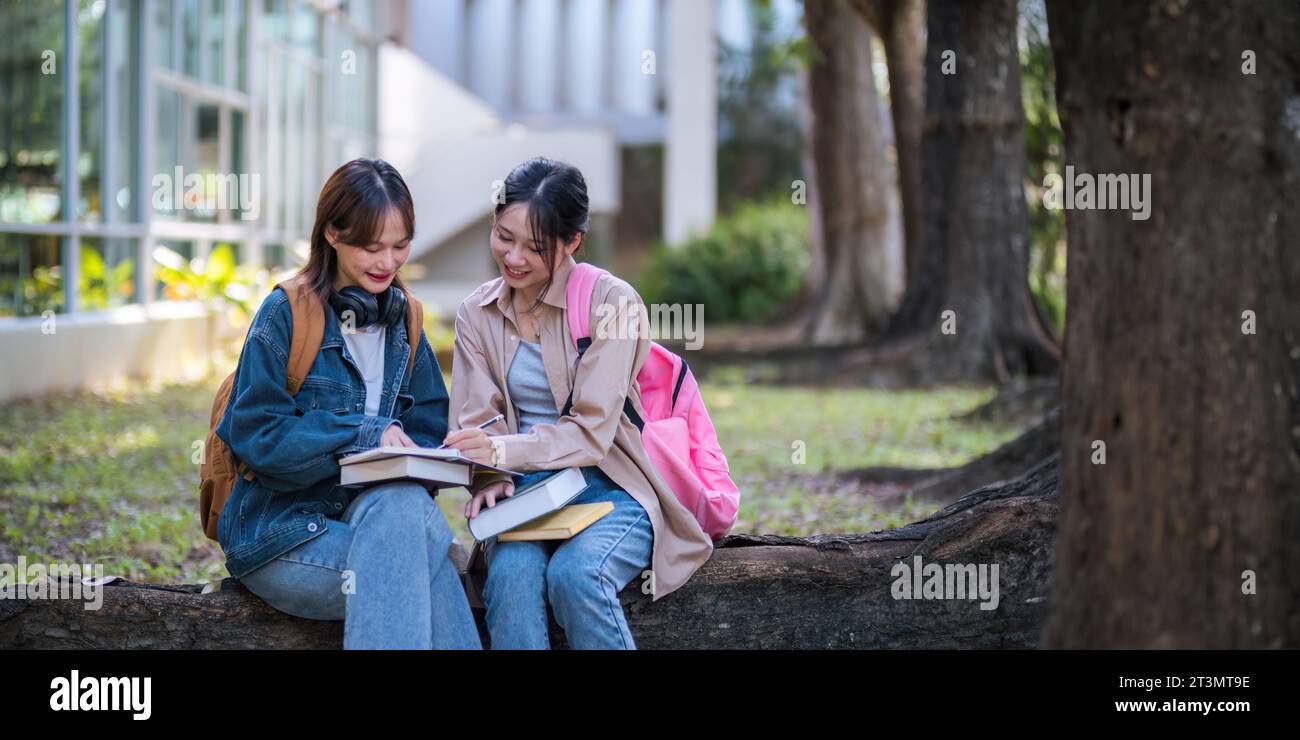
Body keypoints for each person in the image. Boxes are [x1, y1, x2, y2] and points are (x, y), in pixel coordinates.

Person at [443, 157, 713, 649]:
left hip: (614, 482)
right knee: (512, 579)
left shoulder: (613, 304)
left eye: (536, 247)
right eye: (504, 237)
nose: (514, 258)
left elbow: (592, 433)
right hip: (526, 493)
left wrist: (501, 451)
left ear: (573, 243)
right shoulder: (475, 314)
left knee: (578, 576)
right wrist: (489, 473)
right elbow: (476, 419)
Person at [215, 158, 480, 650]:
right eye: (371, 246)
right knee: (419, 558)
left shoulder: (406, 322)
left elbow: (425, 426)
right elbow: (258, 436)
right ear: (333, 233)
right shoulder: (285, 314)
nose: (387, 262)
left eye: (400, 246)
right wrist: (364, 434)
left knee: (403, 509)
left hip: (380, 521)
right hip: (285, 533)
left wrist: (443, 453)